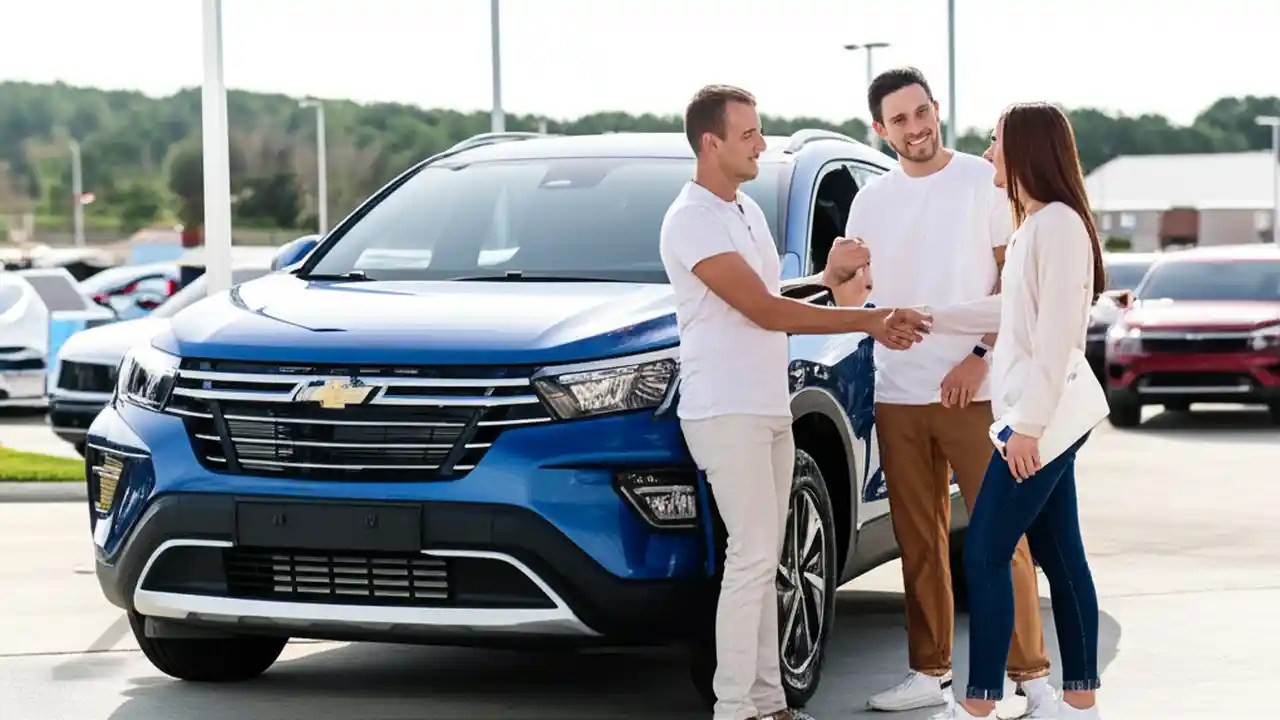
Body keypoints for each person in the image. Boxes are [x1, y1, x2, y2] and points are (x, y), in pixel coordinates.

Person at [658, 84, 931, 720]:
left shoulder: (744, 211)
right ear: (711, 142)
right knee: (751, 558)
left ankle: (769, 704)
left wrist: (829, 283)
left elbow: (777, 294)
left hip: (766, 405)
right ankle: (735, 707)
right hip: (725, 410)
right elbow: (762, 311)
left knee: (765, 556)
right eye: (748, 134)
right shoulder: (691, 219)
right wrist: (867, 320)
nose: (760, 143)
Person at [838, 67, 1057, 715]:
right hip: (898, 390)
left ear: (937, 109)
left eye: (922, 112)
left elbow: (1010, 284)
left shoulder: (980, 181)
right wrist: (846, 284)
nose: (915, 128)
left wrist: (977, 357)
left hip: (977, 390)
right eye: (899, 120)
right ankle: (927, 674)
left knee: (1001, 535)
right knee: (918, 539)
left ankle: (1035, 681)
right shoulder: (870, 201)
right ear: (880, 130)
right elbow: (855, 296)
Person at [927, 102, 1106, 719]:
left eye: (994, 141)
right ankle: (1079, 703)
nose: (986, 153)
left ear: (1026, 148)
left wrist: (1028, 429)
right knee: (1059, 556)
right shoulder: (1036, 225)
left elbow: (1056, 336)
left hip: (1044, 422)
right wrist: (927, 317)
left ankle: (975, 705)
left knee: (984, 552)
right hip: (1045, 417)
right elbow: (1007, 313)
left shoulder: (1057, 225)